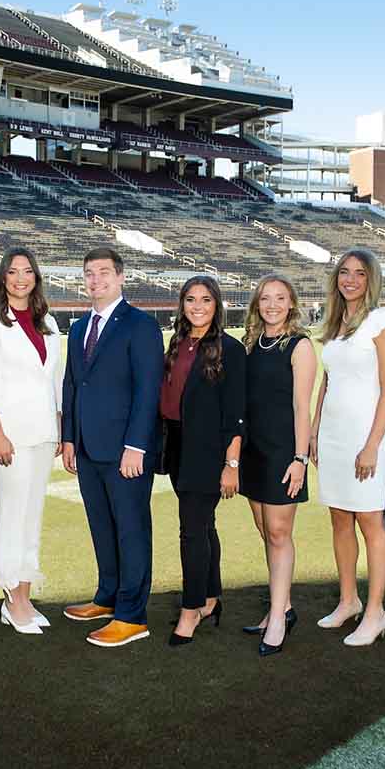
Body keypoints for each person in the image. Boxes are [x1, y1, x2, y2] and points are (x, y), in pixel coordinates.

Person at [61, 246, 163, 648]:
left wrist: (136, 445)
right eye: (89, 273)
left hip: (126, 451)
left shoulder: (140, 325)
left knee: (131, 530)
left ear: (121, 277)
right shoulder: (78, 327)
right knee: (102, 528)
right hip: (88, 448)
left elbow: (147, 389)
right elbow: (72, 384)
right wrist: (70, 437)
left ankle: (131, 614)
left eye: (104, 272)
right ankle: (107, 596)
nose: (96, 280)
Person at [311, 248, 385, 647]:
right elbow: (328, 381)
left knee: (370, 522)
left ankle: (375, 611)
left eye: (360, 274)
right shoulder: (337, 323)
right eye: (345, 272)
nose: (350, 279)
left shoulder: (382, 321)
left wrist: (371, 445)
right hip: (333, 436)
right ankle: (348, 600)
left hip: (365, 437)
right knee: (339, 519)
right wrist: (315, 431)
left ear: (372, 280)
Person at [0, 248, 63, 635]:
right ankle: (12, 599)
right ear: (2, 278)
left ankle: (24, 594)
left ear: (36, 278)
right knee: (12, 516)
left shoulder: (49, 322)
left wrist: (57, 427)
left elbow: (53, 381)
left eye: (27, 271)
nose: (21, 278)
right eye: (13, 272)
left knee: (32, 516)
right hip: (8, 435)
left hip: (42, 434)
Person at [160, 276, 245, 647]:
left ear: (217, 305)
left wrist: (232, 464)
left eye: (206, 300)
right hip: (177, 446)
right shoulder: (177, 343)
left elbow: (237, 412)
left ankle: (191, 609)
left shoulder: (230, 348)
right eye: (191, 299)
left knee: (191, 531)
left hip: (209, 452)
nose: (197, 306)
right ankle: (210, 597)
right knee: (203, 525)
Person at [240, 274, 316, 656]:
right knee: (264, 529)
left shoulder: (300, 346)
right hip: (252, 452)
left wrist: (299, 459)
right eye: (265, 298)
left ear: (291, 303)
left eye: (280, 298)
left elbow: (302, 407)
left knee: (279, 534)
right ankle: (283, 606)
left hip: (282, 453)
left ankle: (277, 620)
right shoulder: (251, 343)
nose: (272, 304)